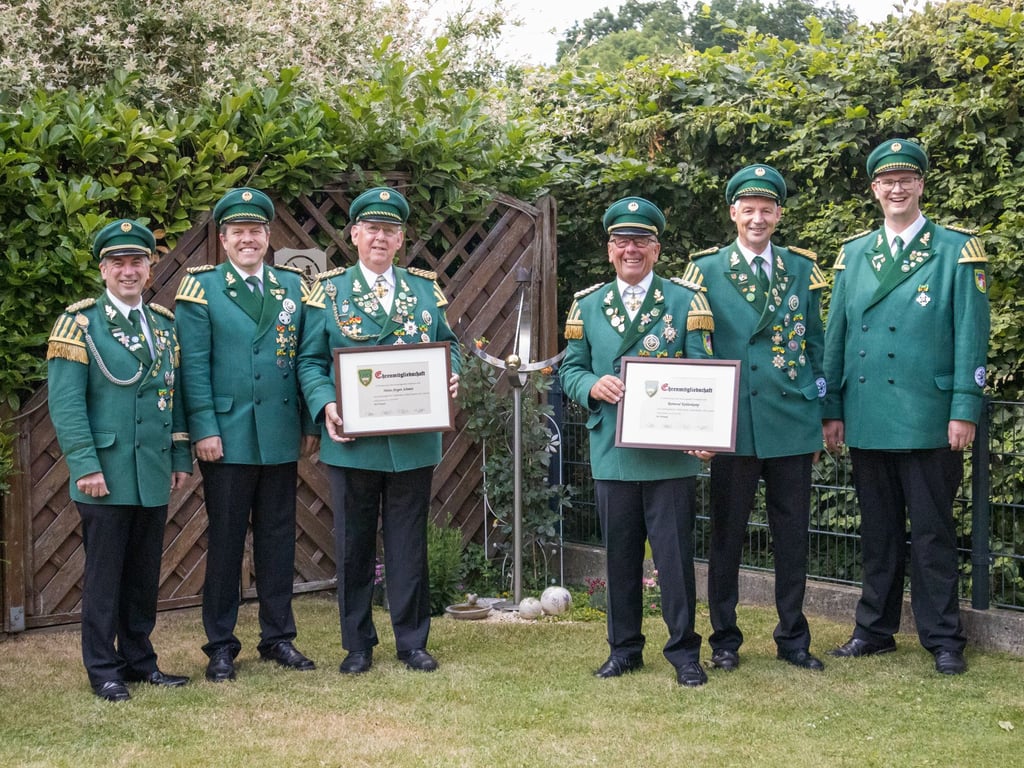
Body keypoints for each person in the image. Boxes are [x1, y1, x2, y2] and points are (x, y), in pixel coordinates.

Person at [822, 139, 990, 675]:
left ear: (920, 185)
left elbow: (971, 336)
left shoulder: (956, 251)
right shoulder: (852, 254)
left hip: (928, 415)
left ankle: (944, 638)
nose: (896, 189)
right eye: (885, 181)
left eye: (906, 179)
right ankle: (874, 630)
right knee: (879, 532)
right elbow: (836, 337)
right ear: (874, 190)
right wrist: (833, 408)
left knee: (935, 533)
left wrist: (964, 407)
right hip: (869, 413)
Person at [297, 186, 462, 674]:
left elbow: (449, 347)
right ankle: (357, 644)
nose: (381, 237)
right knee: (353, 543)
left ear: (401, 238)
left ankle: (412, 641)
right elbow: (308, 360)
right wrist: (326, 403)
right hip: (351, 442)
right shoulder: (327, 291)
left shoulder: (425, 290)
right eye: (373, 229)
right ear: (355, 234)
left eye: (390, 230)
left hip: (412, 443)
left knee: (409, 543)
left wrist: (453, 374)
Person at [559, 196, 715, 687]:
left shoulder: (686, 301)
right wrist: (591, 387)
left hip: (670, 458)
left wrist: (706, 431)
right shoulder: (587, 305)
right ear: (609, 249)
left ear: (657, 249)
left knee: (674, 562)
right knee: (620, 558)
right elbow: (570, 369)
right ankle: (624, 649)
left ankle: (685, 653)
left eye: (641, 241)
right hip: (614, 454)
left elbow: (704, 373)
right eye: (622, 241)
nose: (631, 249)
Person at [685, 165, 828, 673]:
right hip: (734, 425)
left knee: (793, 537)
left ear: (779, 214)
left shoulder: (801, 268)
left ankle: (793, 638)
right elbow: (696, 350)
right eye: (749, 210)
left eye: (767, 210)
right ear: (733, 214)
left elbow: (815, 347)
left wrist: (819, 416)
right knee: (727, 536)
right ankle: (724, 639)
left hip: (790, 420)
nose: (758, 218)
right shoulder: (705, 271)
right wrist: (701, 421)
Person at [175, 188, 318, 682]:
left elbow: (305, 362)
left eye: (255, 231)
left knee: (279, 540)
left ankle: (278, 638)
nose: (248, 239)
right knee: (227, 542)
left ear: (268, 235)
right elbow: (192, 369)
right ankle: (220, 645)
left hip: (279, 433)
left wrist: (307, 424)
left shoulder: (294, 288)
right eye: (238, 232)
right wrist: (204, 430)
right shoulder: (201, 290)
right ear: (223, 239)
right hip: (228, 436)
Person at [47, 219, 192, 701]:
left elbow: (173, 399)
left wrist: (178, 456)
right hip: (104, 474)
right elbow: (67, 405)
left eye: (137, 262)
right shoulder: (79, 325)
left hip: (151, 472)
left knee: (143, 576)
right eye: (119, 263)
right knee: (105, 578)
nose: (129, 271)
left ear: (150, 269)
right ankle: (103, 669)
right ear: (104, 270)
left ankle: (139, 661)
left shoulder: (163, 325)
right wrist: (84, 464)